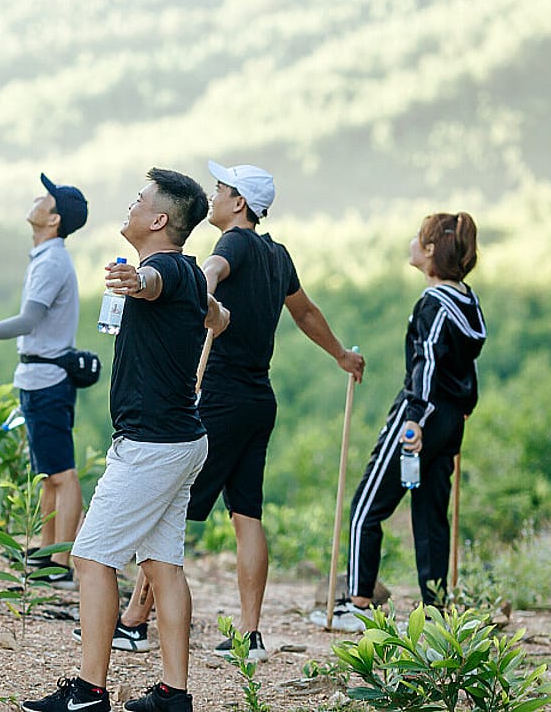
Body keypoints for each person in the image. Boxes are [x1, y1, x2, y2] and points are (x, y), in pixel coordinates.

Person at [111, 160, 365, 662]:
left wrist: (182, 293)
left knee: (169, 504)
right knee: (247, 513)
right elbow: (306, 312)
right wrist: (340, 354)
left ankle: (134, 623)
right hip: (258, 398)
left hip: (220, 396)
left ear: (240, 204)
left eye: (222, 190)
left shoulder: (236, 242)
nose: (214, 197)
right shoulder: (278, 254)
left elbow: (210, 271)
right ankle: (250, 635)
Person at [23, 169, 221, 712]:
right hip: (183, 440)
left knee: (90, 559)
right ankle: (174, 695)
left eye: (140, 200)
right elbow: (213, 311)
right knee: (162, 565)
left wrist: (137, 283)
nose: (131, 206)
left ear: (159, 220)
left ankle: (89, 692)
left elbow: (152, 283)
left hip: (152, 446)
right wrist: (217, 314)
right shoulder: (190, 273)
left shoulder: (161, 268)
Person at [321, 212, 484, 632]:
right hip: (451, 418)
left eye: (419, 238)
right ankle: (437, 611)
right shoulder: (468, 301)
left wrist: (412, 420)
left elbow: (426, 364)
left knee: (365, 507)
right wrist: (464, 408)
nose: (412, 243)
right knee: (431, 513)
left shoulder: (432, 303)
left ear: (431, 251)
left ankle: (357, 602)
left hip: (422, 413)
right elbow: (466, 366)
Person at [0, 173, 88, 588]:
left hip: (48, 376)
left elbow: (29, 320)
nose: (36, 199)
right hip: (37, 375)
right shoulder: (45, 257)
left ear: (53, 219)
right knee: (48, 472)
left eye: (44, 198)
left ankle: (62, 562)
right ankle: (48, 554)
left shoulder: (51, 261)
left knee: (62, 473)